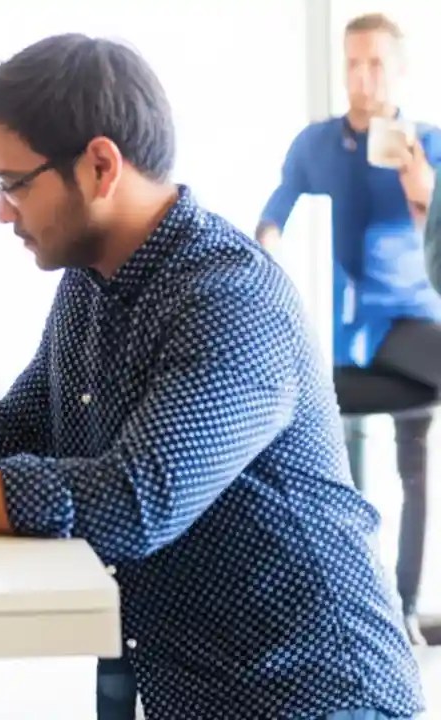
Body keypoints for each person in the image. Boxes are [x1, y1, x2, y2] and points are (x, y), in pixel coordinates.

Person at [0, 34, 425, 720]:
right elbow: (28, 418)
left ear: (98, 165)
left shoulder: (230, 298)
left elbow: (132, 502)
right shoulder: (92, 282)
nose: (2, 211)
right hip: (193, 689)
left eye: (13, 184)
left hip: (316, 695)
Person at [257, 12, 441, 644]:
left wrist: (425, 191)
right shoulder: (318, 145)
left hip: (422, 329)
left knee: (415, 467)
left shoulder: (430, 144)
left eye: (377, 64)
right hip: (364, 328)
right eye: (353, 63)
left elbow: (436, 241)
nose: (363, 78)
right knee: (350, 468)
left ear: (400, 70)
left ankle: (406, 609)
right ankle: (363, 606)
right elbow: (274, 215)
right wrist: (263, 270)